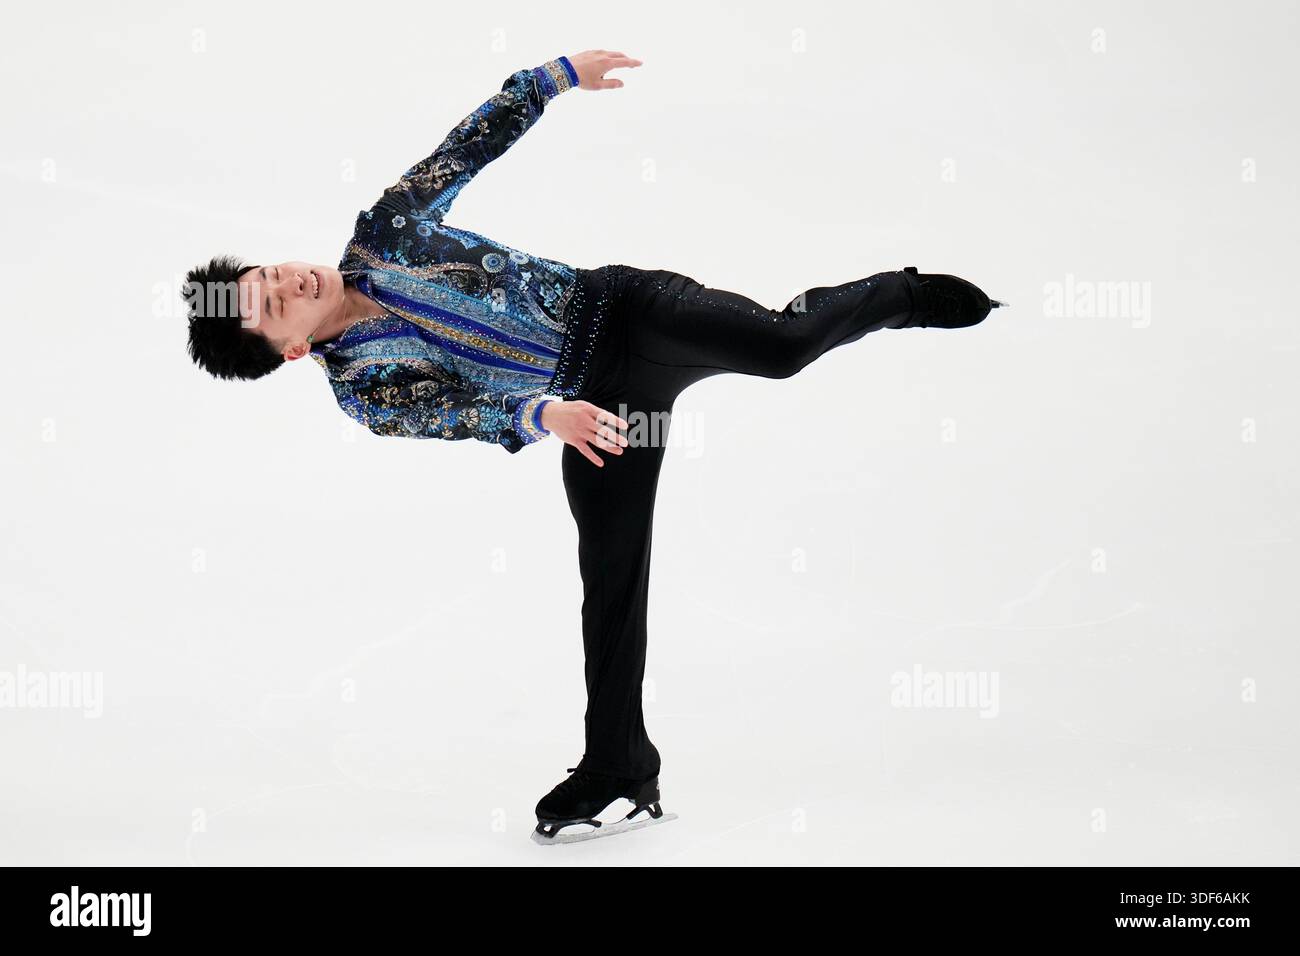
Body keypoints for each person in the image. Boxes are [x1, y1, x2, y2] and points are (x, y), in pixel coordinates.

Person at [181, 49, 1002, 845]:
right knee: (611, 577)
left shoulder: (386, 232)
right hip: (596, 412)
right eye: (274, 305)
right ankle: (619, 762)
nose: (293, 282)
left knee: (784, 349)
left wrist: (552, 79)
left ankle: (898, 292)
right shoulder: (365, 389)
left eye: (271, 271)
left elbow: (467, 147)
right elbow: (466, 411)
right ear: (290, 350)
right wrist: (547, 415)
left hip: (629, 310)